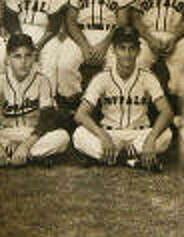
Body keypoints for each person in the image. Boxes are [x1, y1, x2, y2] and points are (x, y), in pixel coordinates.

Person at [72, 26, 173, 171]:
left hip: (139, 134)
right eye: (122, 48)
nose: (127, 54)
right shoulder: (102, 77)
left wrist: (151, 139)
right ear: (114, 50)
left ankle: (111, 158)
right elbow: (80, 115)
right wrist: (103, 135)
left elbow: (167, 112)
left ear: (138, 50)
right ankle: (133, 159)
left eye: (131, 48)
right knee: (79, 135)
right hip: (110, 134)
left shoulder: (147, 77)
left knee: (166, 134)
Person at [0, 33, 71, 168]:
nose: (23, 62)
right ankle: (29, 157)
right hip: (5, 134)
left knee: (62, 138)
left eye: (28, 56)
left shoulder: (42, 81)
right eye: (17, 56)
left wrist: (25, 146)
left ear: (34, 57)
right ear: (8, 59)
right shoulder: (0, 81)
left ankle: (4, 156)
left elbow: (47, 119)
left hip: (32, 134)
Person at [56, 0, 135, 105]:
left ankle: (109, 109)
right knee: (64, 66)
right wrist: (84, 45)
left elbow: (122, 21)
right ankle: (72, 105)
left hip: (112, 34)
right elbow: (70, 20)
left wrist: (105, 44)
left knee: (117, 67)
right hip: (81, 34)